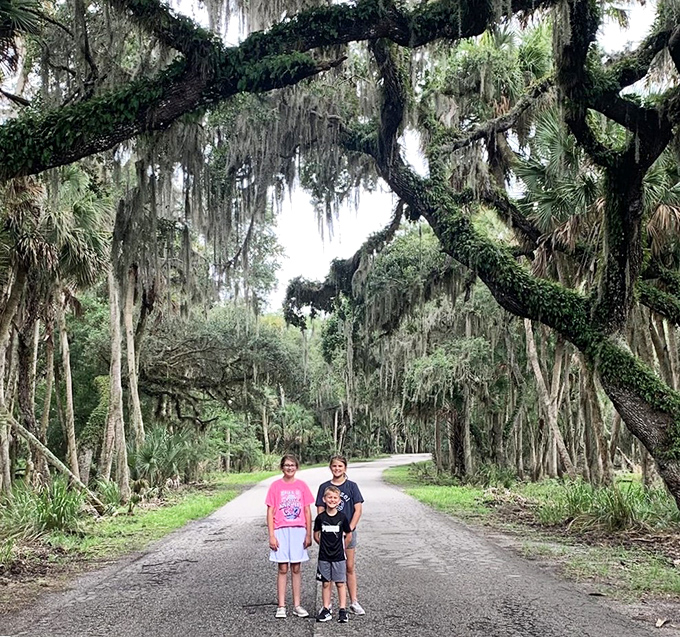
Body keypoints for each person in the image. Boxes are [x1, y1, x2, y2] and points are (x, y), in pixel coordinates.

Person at [315, 455, 365, 615]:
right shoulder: (324, 487)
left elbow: (358, 510)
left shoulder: (352, 486)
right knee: (328, 570)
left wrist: (347, 529)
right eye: (334, 466)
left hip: (347, 533)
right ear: (330, 467)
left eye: (340, 466)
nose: (337, 469)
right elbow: (320, 510)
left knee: (349, 566)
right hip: (329, 535)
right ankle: (327, 605)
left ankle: (354, 602)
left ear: (345, 468)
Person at [265, 454, 314, 619]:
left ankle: (297, 605)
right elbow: (270, 511)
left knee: (296, 568)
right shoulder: (275, 486)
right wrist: (271, 535)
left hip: (298, 530)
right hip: (281, 529)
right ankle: (281, 606)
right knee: (282, 568)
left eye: (292, 465)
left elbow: (307, 511)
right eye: (286, 465)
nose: (290, 468)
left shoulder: (302, 486)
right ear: (282, 467)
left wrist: (308, 533)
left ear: (297, 467)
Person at [313, 485, 352, 623]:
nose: (332, 500)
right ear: (324, 499)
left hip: (339, 557)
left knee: (340, 583)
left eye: (335, 498)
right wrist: (324, 546)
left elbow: (348, 535)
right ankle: (326, 609)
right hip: (324, 556)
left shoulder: (342, 517)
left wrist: (342, 547)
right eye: (329, 497)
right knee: (325, 583)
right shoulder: (320, 518)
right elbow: (316, 535)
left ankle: (342, 610)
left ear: (339, 500)